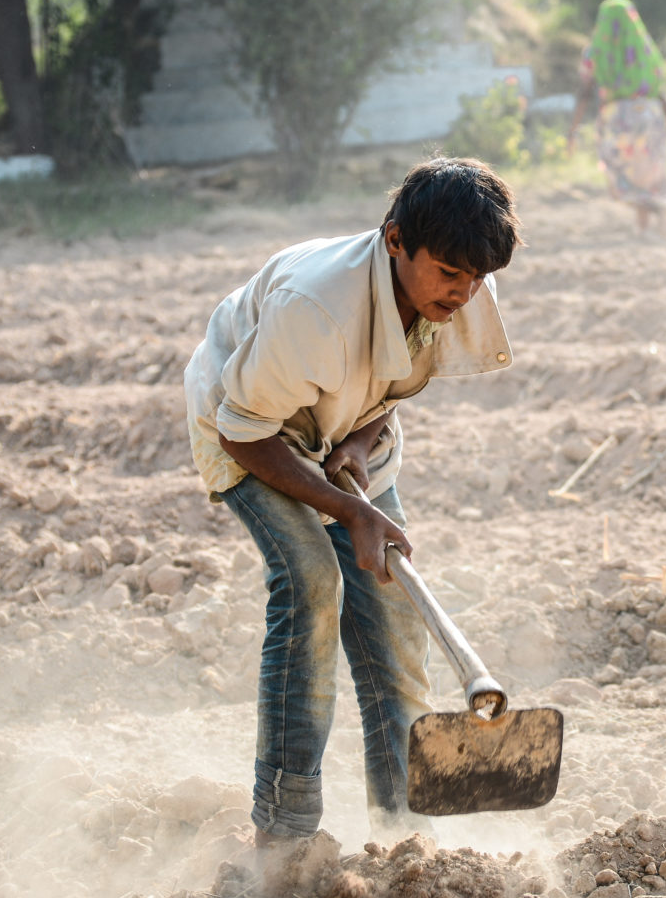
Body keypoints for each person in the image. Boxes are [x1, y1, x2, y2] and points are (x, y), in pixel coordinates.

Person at [182, 157, 522, 846]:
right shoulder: (317, 309)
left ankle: (408, 821)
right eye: (450, 274)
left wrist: (360, 448)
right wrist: (351, 511)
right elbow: (243, 430)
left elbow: (397, 385)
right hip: (248, 422)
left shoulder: (459, 284)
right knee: (311, 578)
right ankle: (285, 824)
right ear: (396, 240)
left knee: (392, 606)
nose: (464, 293)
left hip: (343, 427)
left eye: (477, 279)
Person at [567, 0, 666, 231]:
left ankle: (644, 222)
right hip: (650, 114)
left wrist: (572, 130)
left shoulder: (595, 51)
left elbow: (584, 93)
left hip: (618, 118)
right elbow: (659, 86)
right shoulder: (645, 47)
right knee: (652, 165)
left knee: (625, 168)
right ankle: (660, 218)